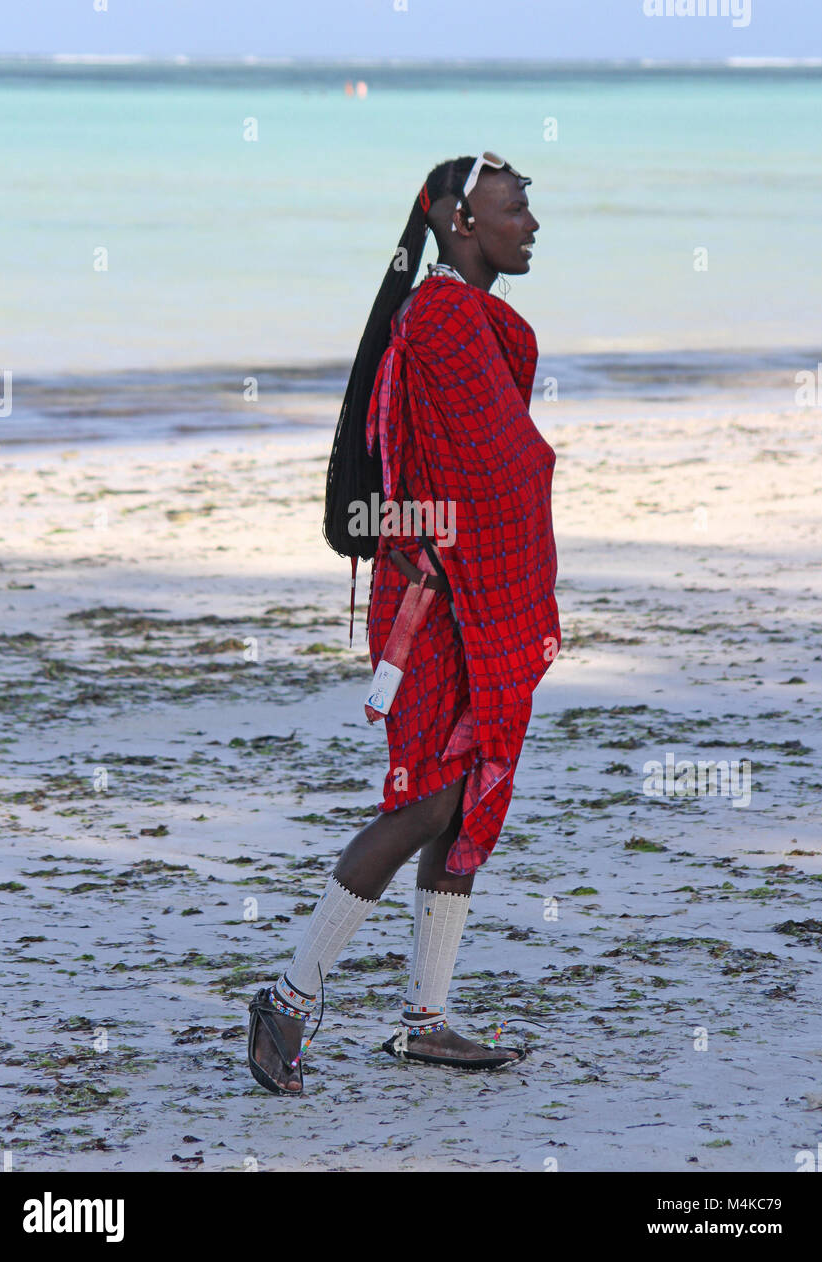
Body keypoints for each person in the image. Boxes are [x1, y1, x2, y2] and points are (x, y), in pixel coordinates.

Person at [248, 153, 560, 1095]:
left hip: (455, 582)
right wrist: (459, 544)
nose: (532, 225)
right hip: (434, 597)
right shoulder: (441, 321)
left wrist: (470, 532)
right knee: (427, 799)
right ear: (462, 221)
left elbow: (470, 473)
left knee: (466, 803)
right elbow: (493, 476)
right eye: (515, 210)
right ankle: (290, 997)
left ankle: (426, 1023)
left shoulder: (460, 318)